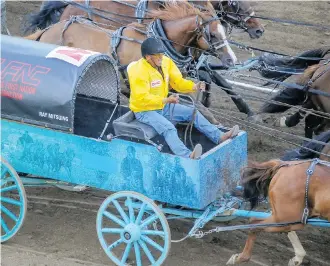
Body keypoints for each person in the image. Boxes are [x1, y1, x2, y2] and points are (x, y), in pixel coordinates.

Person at [127, 37, 240, 159]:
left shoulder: (166, 62)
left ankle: (219, 137)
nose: (161, 57)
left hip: (162, 106)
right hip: (145, 111)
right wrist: (166, 100)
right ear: (148, 57)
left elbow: (178, 82)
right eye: (157, 55)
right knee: (168, 128)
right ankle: (187, 156)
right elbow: (142, 97)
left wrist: (194, 86)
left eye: (162, 54)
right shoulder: (139, 71)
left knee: (192, 113)